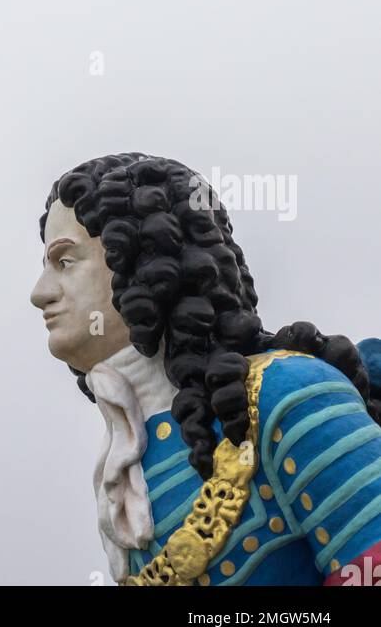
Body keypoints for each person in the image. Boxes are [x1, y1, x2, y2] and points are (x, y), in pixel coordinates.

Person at [30, 152, 381, 586]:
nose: (40, 293)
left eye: (64, 262)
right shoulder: (125, 466)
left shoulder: (287, 397)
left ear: (141, 259)